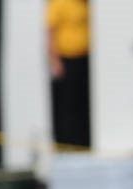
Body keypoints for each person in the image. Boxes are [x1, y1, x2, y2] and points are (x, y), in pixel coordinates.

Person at [46, 0, 91, 148]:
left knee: (83, 102)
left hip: (85, 58)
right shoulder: (59, 3)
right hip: (67, 59)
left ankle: (84, 141)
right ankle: (69, 143)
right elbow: (49, 32)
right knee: (69, 103)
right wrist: (55, 61)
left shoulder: (84, 4)